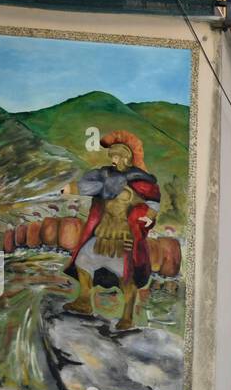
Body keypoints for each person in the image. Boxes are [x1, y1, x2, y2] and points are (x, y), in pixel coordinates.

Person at [60, 130, 160, 331]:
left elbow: (153, 200)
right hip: (103, 233)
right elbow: (90, 188)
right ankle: (84, 301)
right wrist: (70, 189)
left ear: (126, 158)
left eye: (117, 156)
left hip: (123, 235)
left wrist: (148, 216)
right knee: (83, 261)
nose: (113, 160)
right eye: (111, 156)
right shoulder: (106, 177)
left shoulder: (139, 182)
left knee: (126, 276)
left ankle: (127, 316)